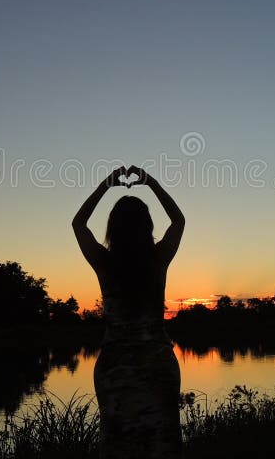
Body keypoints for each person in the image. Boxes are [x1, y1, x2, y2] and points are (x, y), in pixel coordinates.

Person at [72, 165, 185, 459]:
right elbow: (178, 220)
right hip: (158, 364)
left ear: (113, 228)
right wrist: (151, 183)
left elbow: (79, 224)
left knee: (118, 444)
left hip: (115, 368)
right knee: (163, 445)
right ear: (147, 227)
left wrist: (107, 185)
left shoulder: (105, 262)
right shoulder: (158, 260)